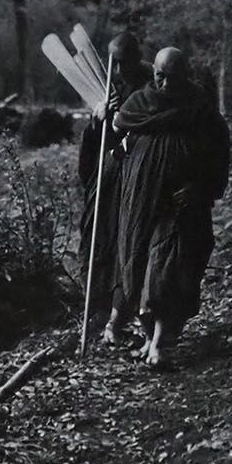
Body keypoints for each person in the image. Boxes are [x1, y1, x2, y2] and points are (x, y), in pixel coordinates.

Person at [107, 47, 230, 368]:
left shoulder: (199, 108)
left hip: (181, 203)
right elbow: (116, 137)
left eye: (173, 78)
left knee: (169, 267)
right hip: (140, 201)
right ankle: (150, 339)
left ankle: (160, 343)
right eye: (160, 76)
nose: (165, 85)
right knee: (136, 265)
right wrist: (108, 129)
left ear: (185, 76)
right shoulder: (140, 102)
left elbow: (218, 154)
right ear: (154, 73)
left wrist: (201, 187)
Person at [77, 31, 151, 318]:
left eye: (124, 62)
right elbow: (95, 140)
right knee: (98, 234)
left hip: (139, 172)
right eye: (114, 63)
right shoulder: (109, 85)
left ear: (136, 57)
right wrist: (98, 119)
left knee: (130, 240)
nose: (119, 70)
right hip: (109, 173)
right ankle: (97, 305)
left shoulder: (151, 82)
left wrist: (124, 120)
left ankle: (127, 308)